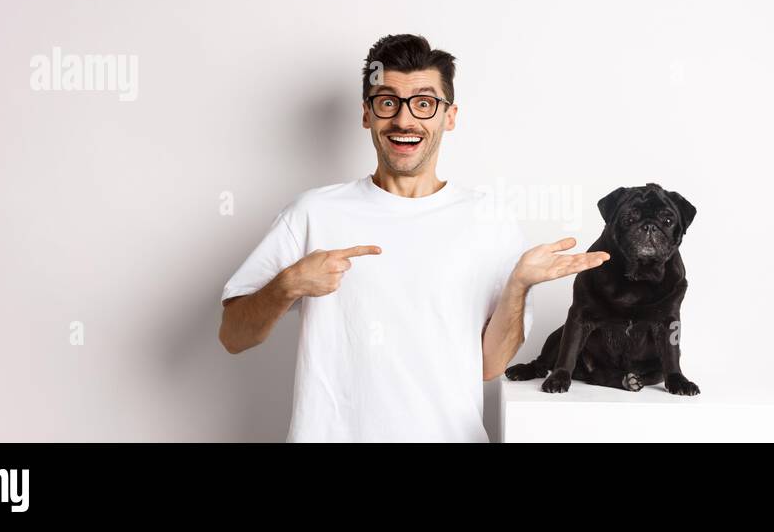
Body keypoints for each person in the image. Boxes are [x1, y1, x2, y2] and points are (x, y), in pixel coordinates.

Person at [217, 34, 609, 442]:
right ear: (367, 114)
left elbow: (489, 366)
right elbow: (233, 336)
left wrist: (519, 285)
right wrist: (288, 284)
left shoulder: (489, 220)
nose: (405, 121)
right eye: (388, 102)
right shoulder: (313, 213)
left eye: (424, 103)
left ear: (449, 116)